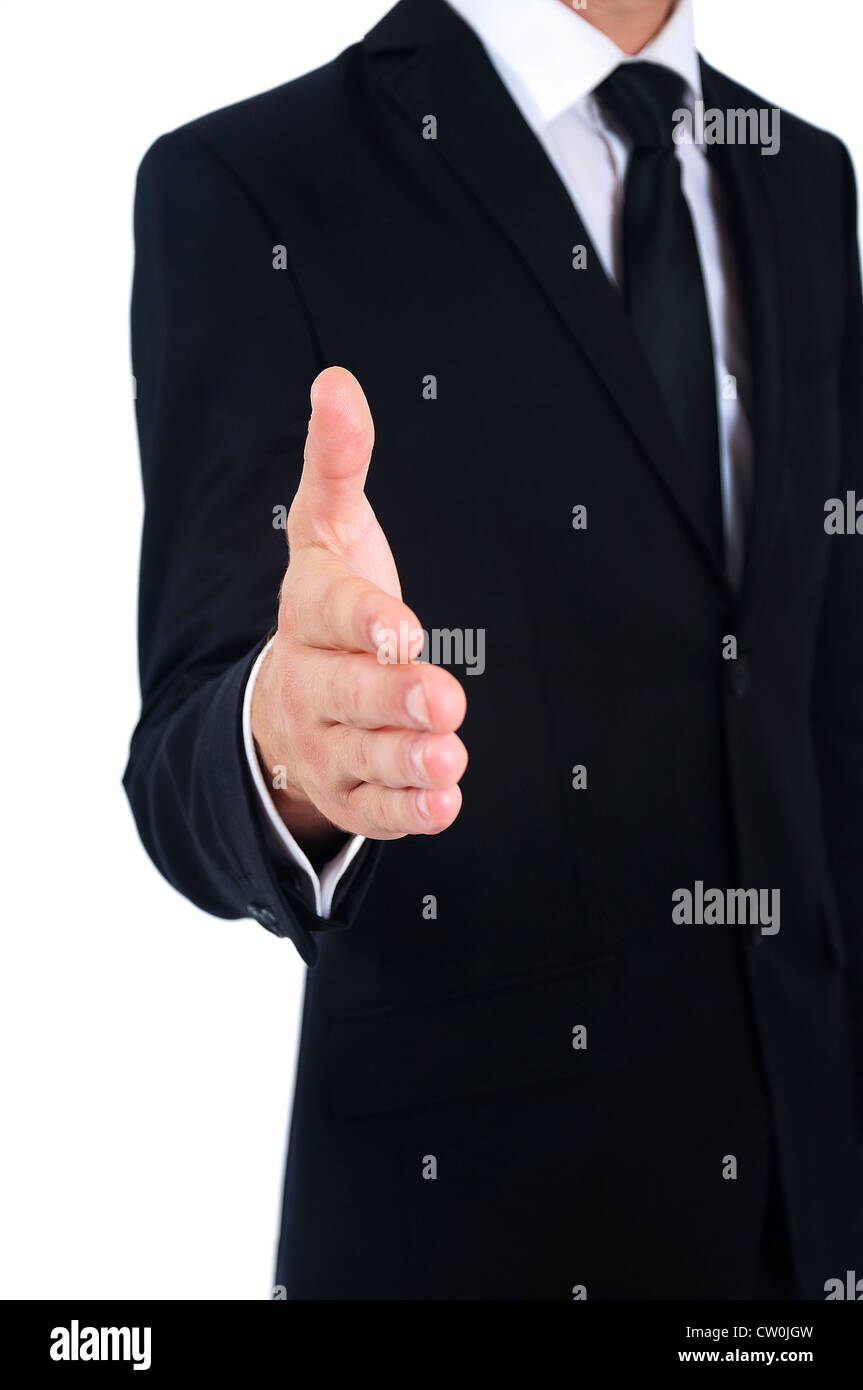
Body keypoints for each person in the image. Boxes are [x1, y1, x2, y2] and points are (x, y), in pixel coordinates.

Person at [125, 0, 863, 1298]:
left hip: (815, 1220)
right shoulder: (254, 182)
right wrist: (289, 746)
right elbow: (190, 733)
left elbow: (826, 706)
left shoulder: (806, 179)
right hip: (478, 1229)